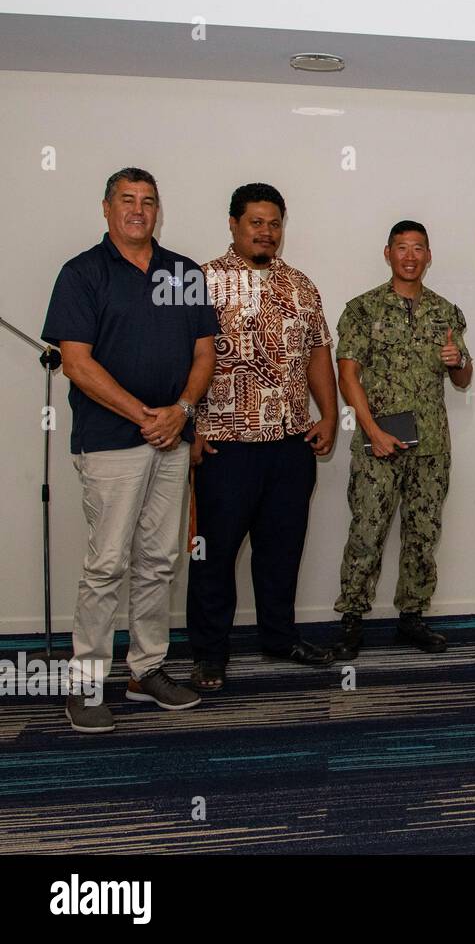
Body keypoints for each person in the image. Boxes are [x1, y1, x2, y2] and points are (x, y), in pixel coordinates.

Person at [41, 167, 217, 732]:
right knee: (106, 564)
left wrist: (182, 411)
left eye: (148, 201)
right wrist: (145, 415)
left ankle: (147, 670)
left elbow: (204, 353)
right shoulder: (82, 273)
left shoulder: (184, 273)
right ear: (107, 208)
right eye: (127, 200)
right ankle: (87, 683)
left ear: (158, 210)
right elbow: (77, 362)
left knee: (160, 561)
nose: (138, 210)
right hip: (112, 442)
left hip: (173, 436)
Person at [186, 184, 339, 690]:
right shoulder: (202, 282)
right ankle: (209, 653)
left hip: (290, 444)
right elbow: (180, 358)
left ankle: (279, 638)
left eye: (273, 223)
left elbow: (318, 353)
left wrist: (330, 413)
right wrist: (189, 427)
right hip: (224, 444)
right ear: (233, 223)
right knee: (214, 554)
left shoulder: (301, 285)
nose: (265, 231)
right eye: (255, 221)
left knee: (282, 550)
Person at [330, 221, 472, 659]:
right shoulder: (362, 309)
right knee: (367, 532)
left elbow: (464, 379)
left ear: (429, 256)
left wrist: (458, 359)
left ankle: (412, 617)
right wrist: (372, 430)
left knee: (423, 534)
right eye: (402, 248)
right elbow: (347, 374)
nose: (410, 256)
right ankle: (352, 619)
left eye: (418, 249)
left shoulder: (446, 312)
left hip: (430, 446)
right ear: (387, 253)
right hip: (378, 443)